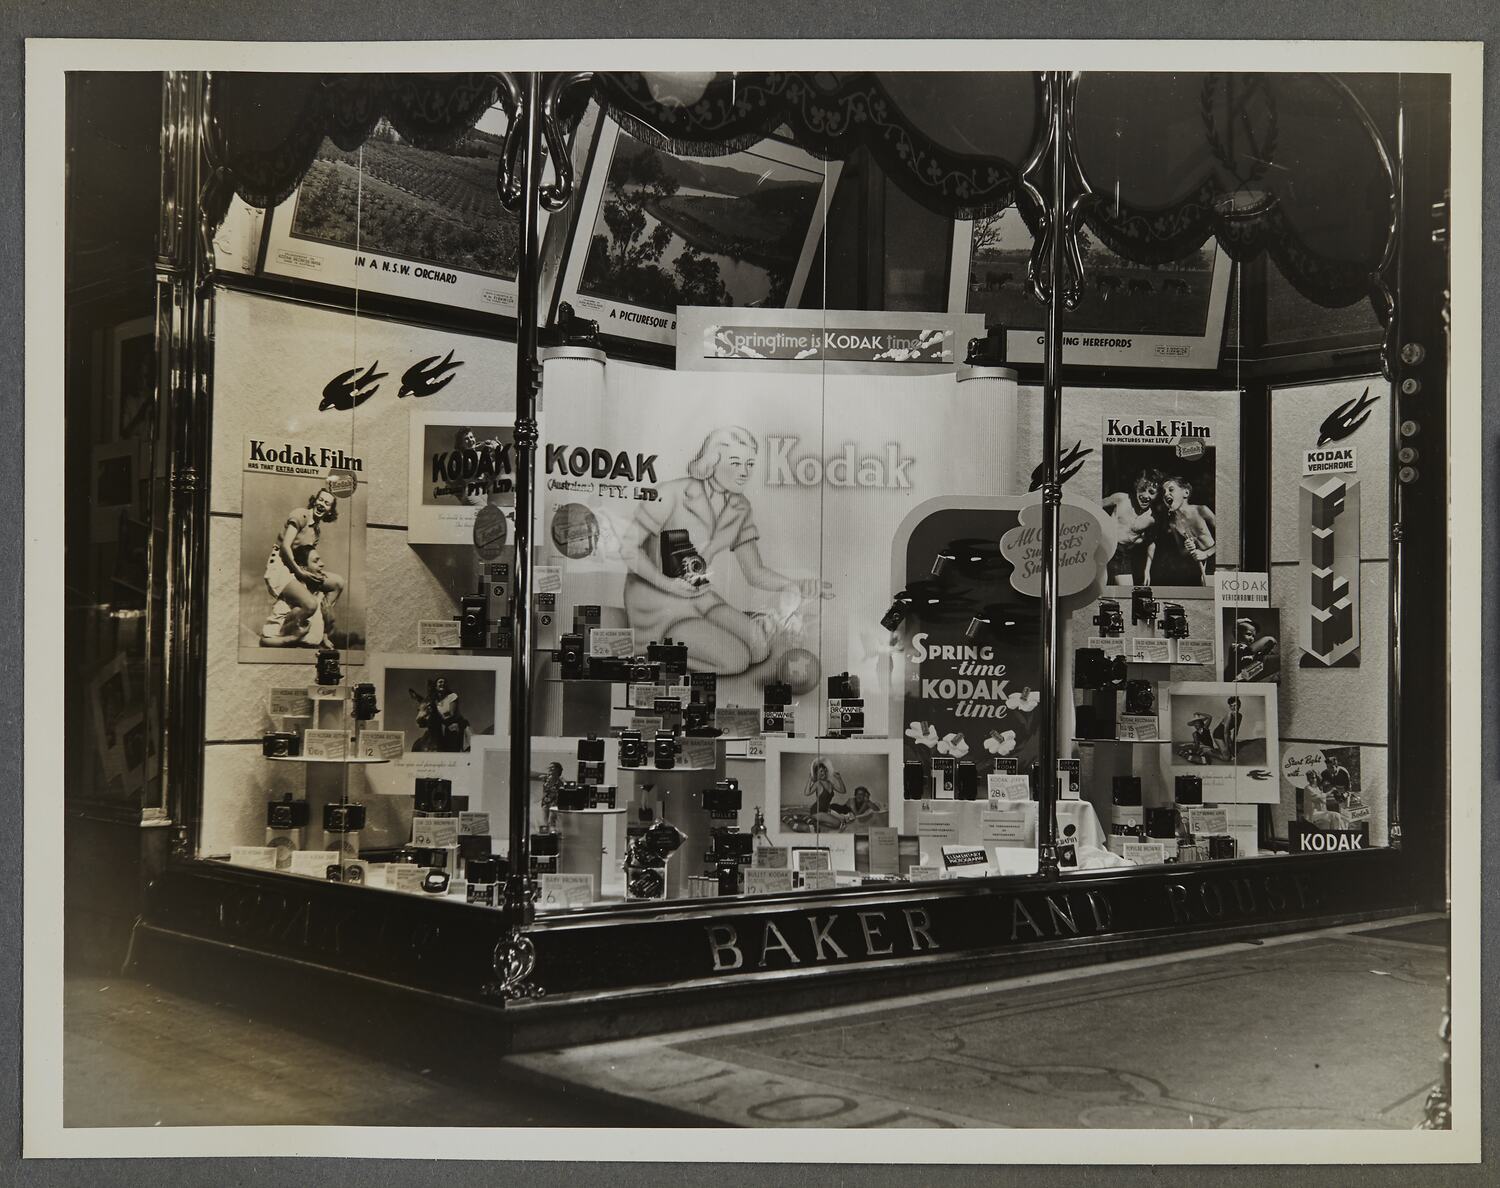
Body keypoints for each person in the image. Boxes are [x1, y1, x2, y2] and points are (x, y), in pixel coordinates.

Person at [624, 426, 828, 674]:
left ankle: (697, 637)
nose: (744, 472)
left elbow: (754, 572)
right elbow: (628, 548)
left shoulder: (740, 507)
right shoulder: (670, 493)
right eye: (736, 463)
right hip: (659, 603)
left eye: (750, 464)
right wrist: (669, 585)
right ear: (713, 462)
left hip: (701, 596)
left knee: (760, 648)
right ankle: (658, 649)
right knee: (736, 660)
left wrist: (794, 584)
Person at [260, 486, 345, 648]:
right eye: (320, 500)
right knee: (310, 604)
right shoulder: (301, 515)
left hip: (298, 569)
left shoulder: (316, 532)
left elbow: (307, 558)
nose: (322, 504)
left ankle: (324, 633)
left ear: (330, 510)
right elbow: (285, 547)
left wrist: (311, 574)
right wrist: (300, 572)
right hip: (280, 567)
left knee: (337, 583)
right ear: (314, 501)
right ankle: (283, 637)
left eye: (327, 503)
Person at [1144, 475, 1216, 586]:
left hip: (1216, 560)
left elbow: (1226, 537)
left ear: (1185, 493)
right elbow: (1182, 551)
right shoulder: (1173, 523)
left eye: (1171, 489)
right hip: (1203, 567)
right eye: (1164, 492)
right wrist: (1188, 547)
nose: (1166, 494)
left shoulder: (1201, 510)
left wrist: (1206, 554)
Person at [1101, 469, 1161, 585]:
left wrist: (1147, 571)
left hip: (1122, 554)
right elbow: (1094, 505)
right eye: (1142, 489)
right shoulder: (1121, 499)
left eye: (1151, 492)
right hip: (1103, 545)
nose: (1145, 495)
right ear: (1136, 486)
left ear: (1158, 494)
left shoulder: (1152, 518)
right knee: (1095, 587)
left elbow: (1151, 543)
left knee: (1127, 592)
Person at [802, 758, 852, 830]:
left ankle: (815, 822)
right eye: (819, 772)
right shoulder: (818, 783)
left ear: (826, 770)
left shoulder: (830, 783)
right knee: (838, 823)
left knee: (844, 820)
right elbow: (807, 793)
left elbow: (843, 791)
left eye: (822, 771)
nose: (821, 774)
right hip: (816, 811)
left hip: (825, 811)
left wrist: (839, 779)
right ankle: (814, 819)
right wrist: (810, 779)